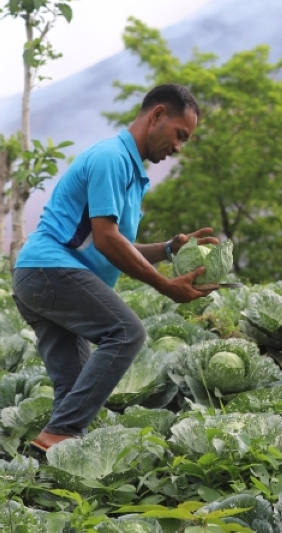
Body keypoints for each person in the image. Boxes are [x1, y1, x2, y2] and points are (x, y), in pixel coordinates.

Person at [12, 84, 218, 453]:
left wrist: (170, 249)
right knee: (126, 332)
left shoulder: (131, 172)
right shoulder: (111, 159)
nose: (178, 147)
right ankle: (55, 440)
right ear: (156, 115)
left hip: (42, 276)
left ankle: (46, 470)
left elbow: (110, 244)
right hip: (50, 271)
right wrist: (165, 285)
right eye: (179, 135)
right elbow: (108, 240)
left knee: (73, 395)